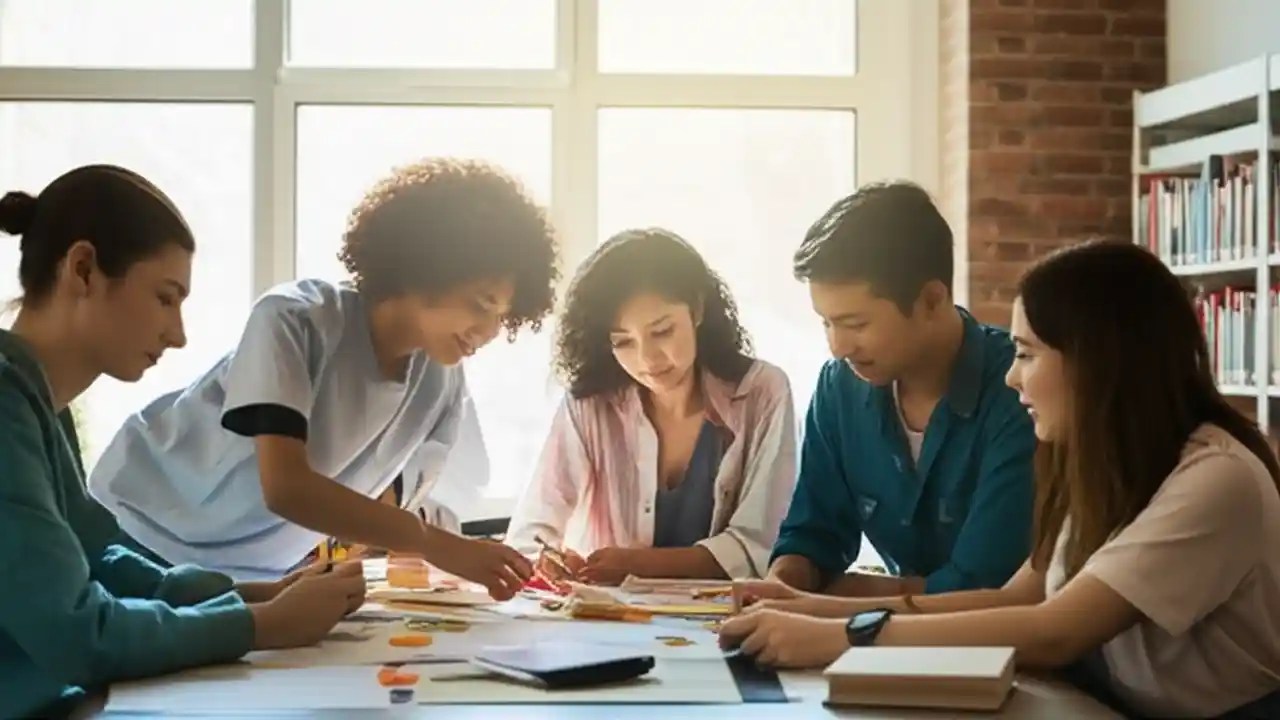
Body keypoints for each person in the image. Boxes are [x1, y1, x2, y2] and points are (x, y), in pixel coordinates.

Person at [721, 240, 1280, 719]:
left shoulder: (1216, 480)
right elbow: (1015, 597)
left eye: (1028, 354)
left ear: (1098, 362)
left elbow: (1055, 632)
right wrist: (811, 608)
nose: (1012, 377)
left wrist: (834, 638)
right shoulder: (1107, 463)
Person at [87, 158, 558, 597]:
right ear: (428, 267)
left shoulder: (441, 384)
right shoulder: (297, 319)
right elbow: (287, 488)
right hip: (135, 530)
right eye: (481, 304)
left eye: (504, 316)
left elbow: (381, 510)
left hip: (246, 577)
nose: (492, 331)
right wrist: (441, 548)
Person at [0, 165, 366, 719]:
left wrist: (257, 596)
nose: (178, 334)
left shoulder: (37, 400)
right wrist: (263, 626)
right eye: (165, 298)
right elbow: (79, 632)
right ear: (83, 269)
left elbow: (101, 560)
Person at [768, 181, 1036, 597]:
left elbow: (981, 586)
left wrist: (835, 595)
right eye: (826, 322)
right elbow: (813, 535)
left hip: (1006, 651)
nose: (838, 348)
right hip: (887, 643)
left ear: (932, 300)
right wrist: (782, 585)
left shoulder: (1020, 392)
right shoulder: (840, 386)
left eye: (856, 324)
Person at [506, 228, 796, 584]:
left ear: (698, 310)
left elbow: (760, 546)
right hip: (608, 621)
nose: (647, 359)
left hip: (725, 622)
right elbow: (531, 532)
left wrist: (638, 565)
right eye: (623, 342)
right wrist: (546, 560)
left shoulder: (762, 392)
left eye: (662, 332)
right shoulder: (590, 403)